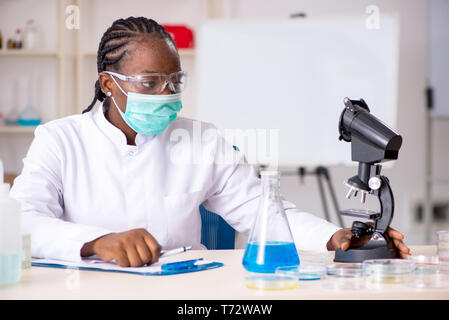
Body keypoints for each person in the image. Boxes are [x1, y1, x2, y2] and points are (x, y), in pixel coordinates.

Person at [10, 17, 410, 267]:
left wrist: (334, 238)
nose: (166, 93)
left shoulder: (200, 138)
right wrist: (97, 242)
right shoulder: (60, 139)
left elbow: (261, 211)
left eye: (175, 82)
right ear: (107, 84)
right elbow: (22, 221)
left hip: (184, 292)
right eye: (151, 83)